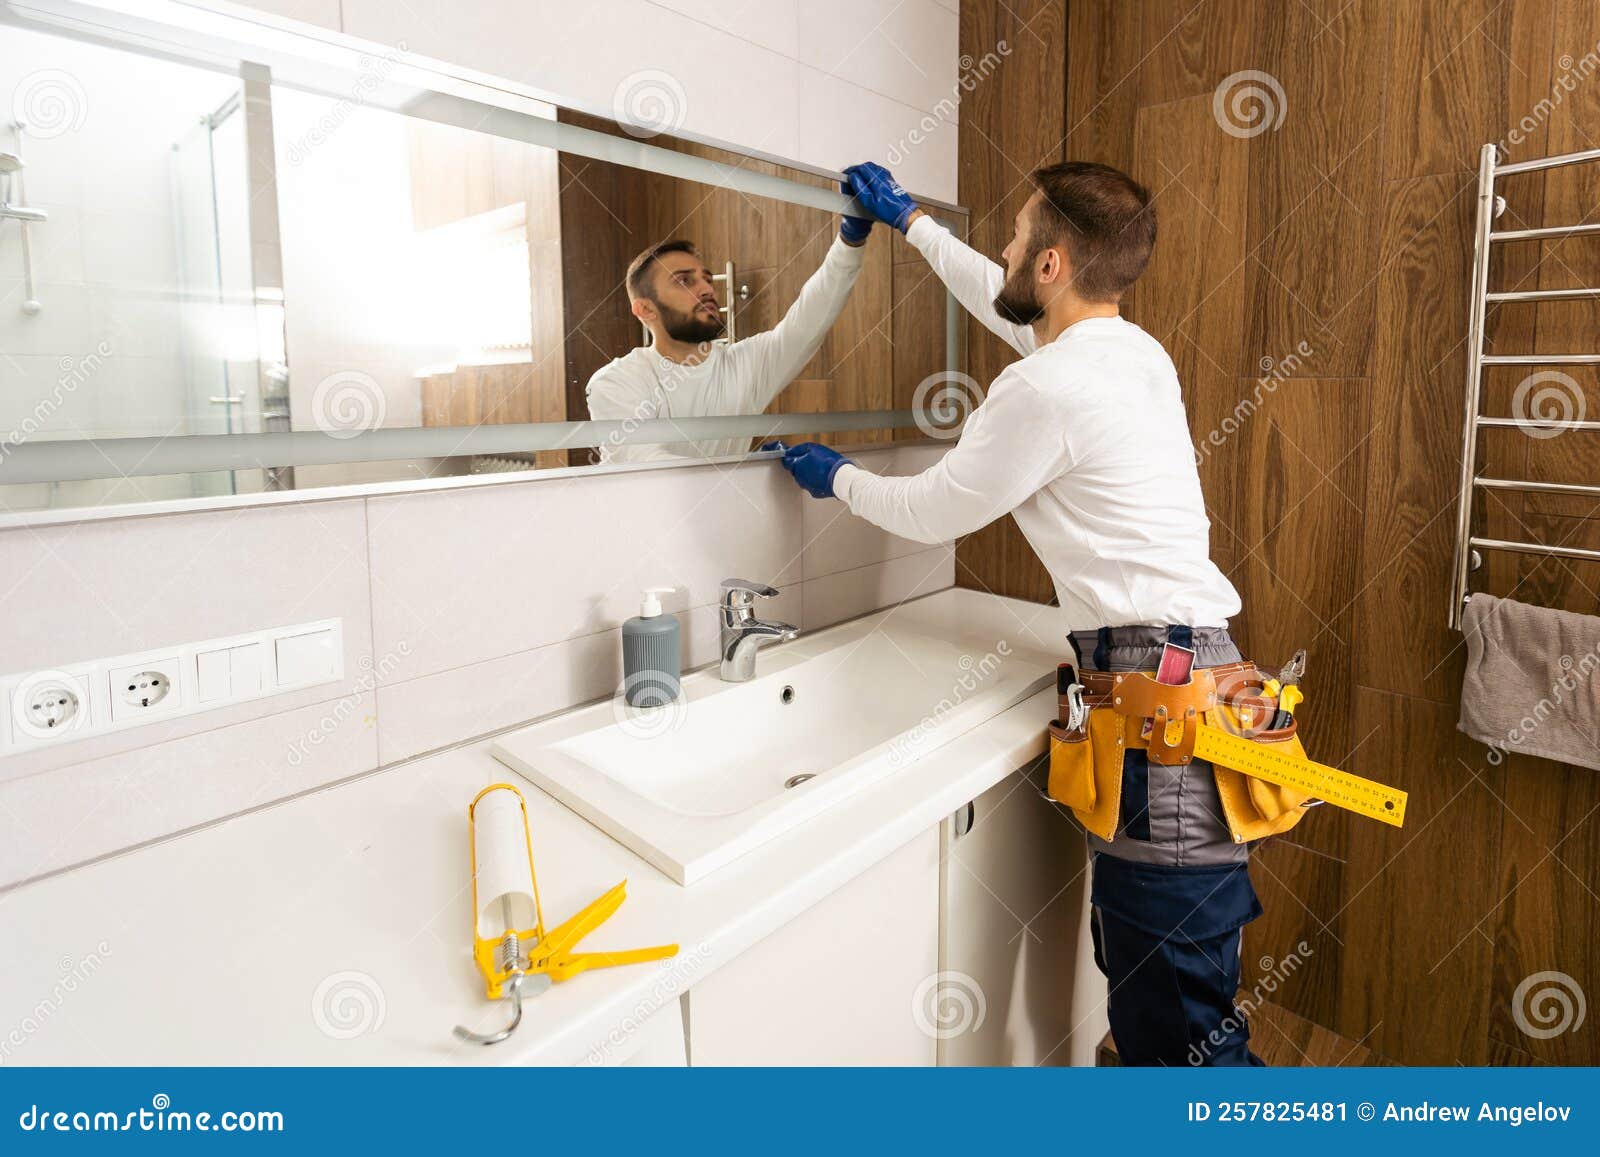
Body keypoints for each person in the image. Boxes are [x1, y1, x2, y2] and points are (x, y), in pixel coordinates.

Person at [780, 160, 1270, 1067]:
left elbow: (931, 511)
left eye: (1014, 235)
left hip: (1161, 721)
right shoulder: (1131, 354)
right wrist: (914, 223)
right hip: (1196, 684)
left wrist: (834, 477)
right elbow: (1001, 301)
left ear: (1049, 266)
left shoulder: (1046, 389)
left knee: (1185, 1041)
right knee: (1159, 1007)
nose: (1001, 248)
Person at [585, 201, 873, 463]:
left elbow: (811, 318)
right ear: (646, 310)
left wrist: (850, 239)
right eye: (684, 281)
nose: (707, 289)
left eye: (706, 279)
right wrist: (745, 469)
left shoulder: (743, 365)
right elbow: (651, 469)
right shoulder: (615, 382)